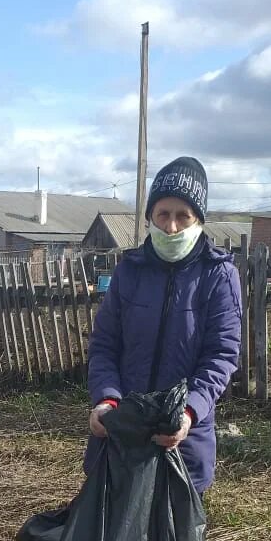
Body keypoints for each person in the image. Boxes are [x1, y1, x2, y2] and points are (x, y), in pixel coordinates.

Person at [85, 156, 241, 495]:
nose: (171, 227)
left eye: (183, 216)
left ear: (199, 219)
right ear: (150, 217)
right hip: (123, 433)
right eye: (163, 214)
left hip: (183, 441)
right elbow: (104, 345)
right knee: (113, 539)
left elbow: (221, 355)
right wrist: (106, 400)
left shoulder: (218, 276)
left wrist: (188, 413)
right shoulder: (131, 270)